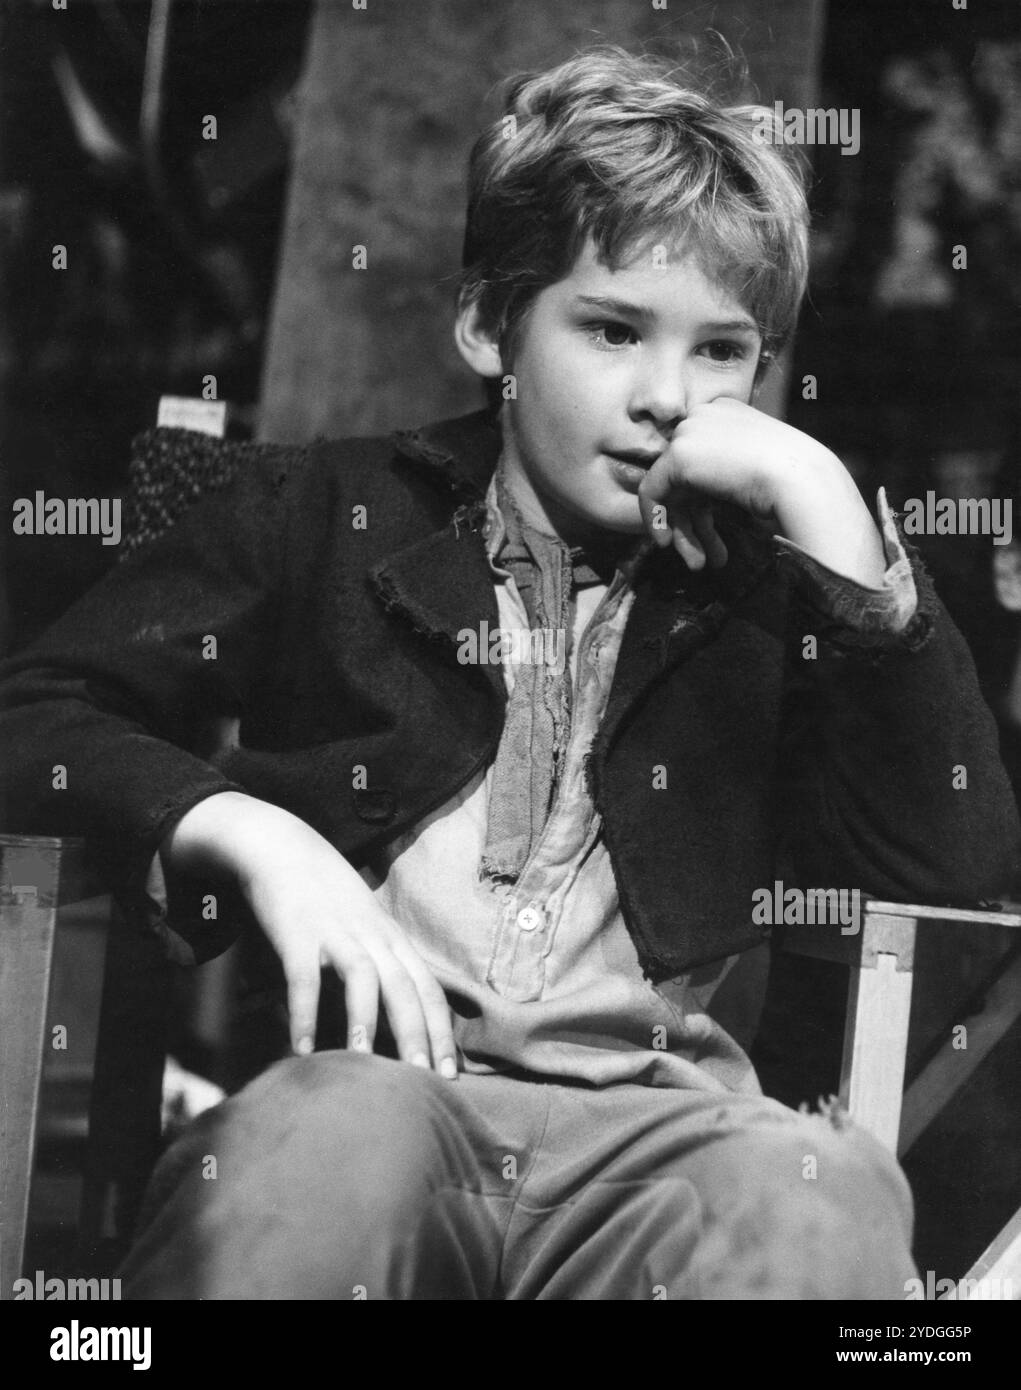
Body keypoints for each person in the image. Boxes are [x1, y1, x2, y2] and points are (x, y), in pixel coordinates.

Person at [2, 46, 1018, 1301]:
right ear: (491, 327)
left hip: (662, 1138)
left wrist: (830, 516)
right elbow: (36, 716)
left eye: (723, 352)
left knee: (818, 1200)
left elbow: (956, 880)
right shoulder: (322, 511)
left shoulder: (773, 591)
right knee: (308, 1174)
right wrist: (241, 828)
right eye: (612, 329)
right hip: (379, 1097)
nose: (666, 397)